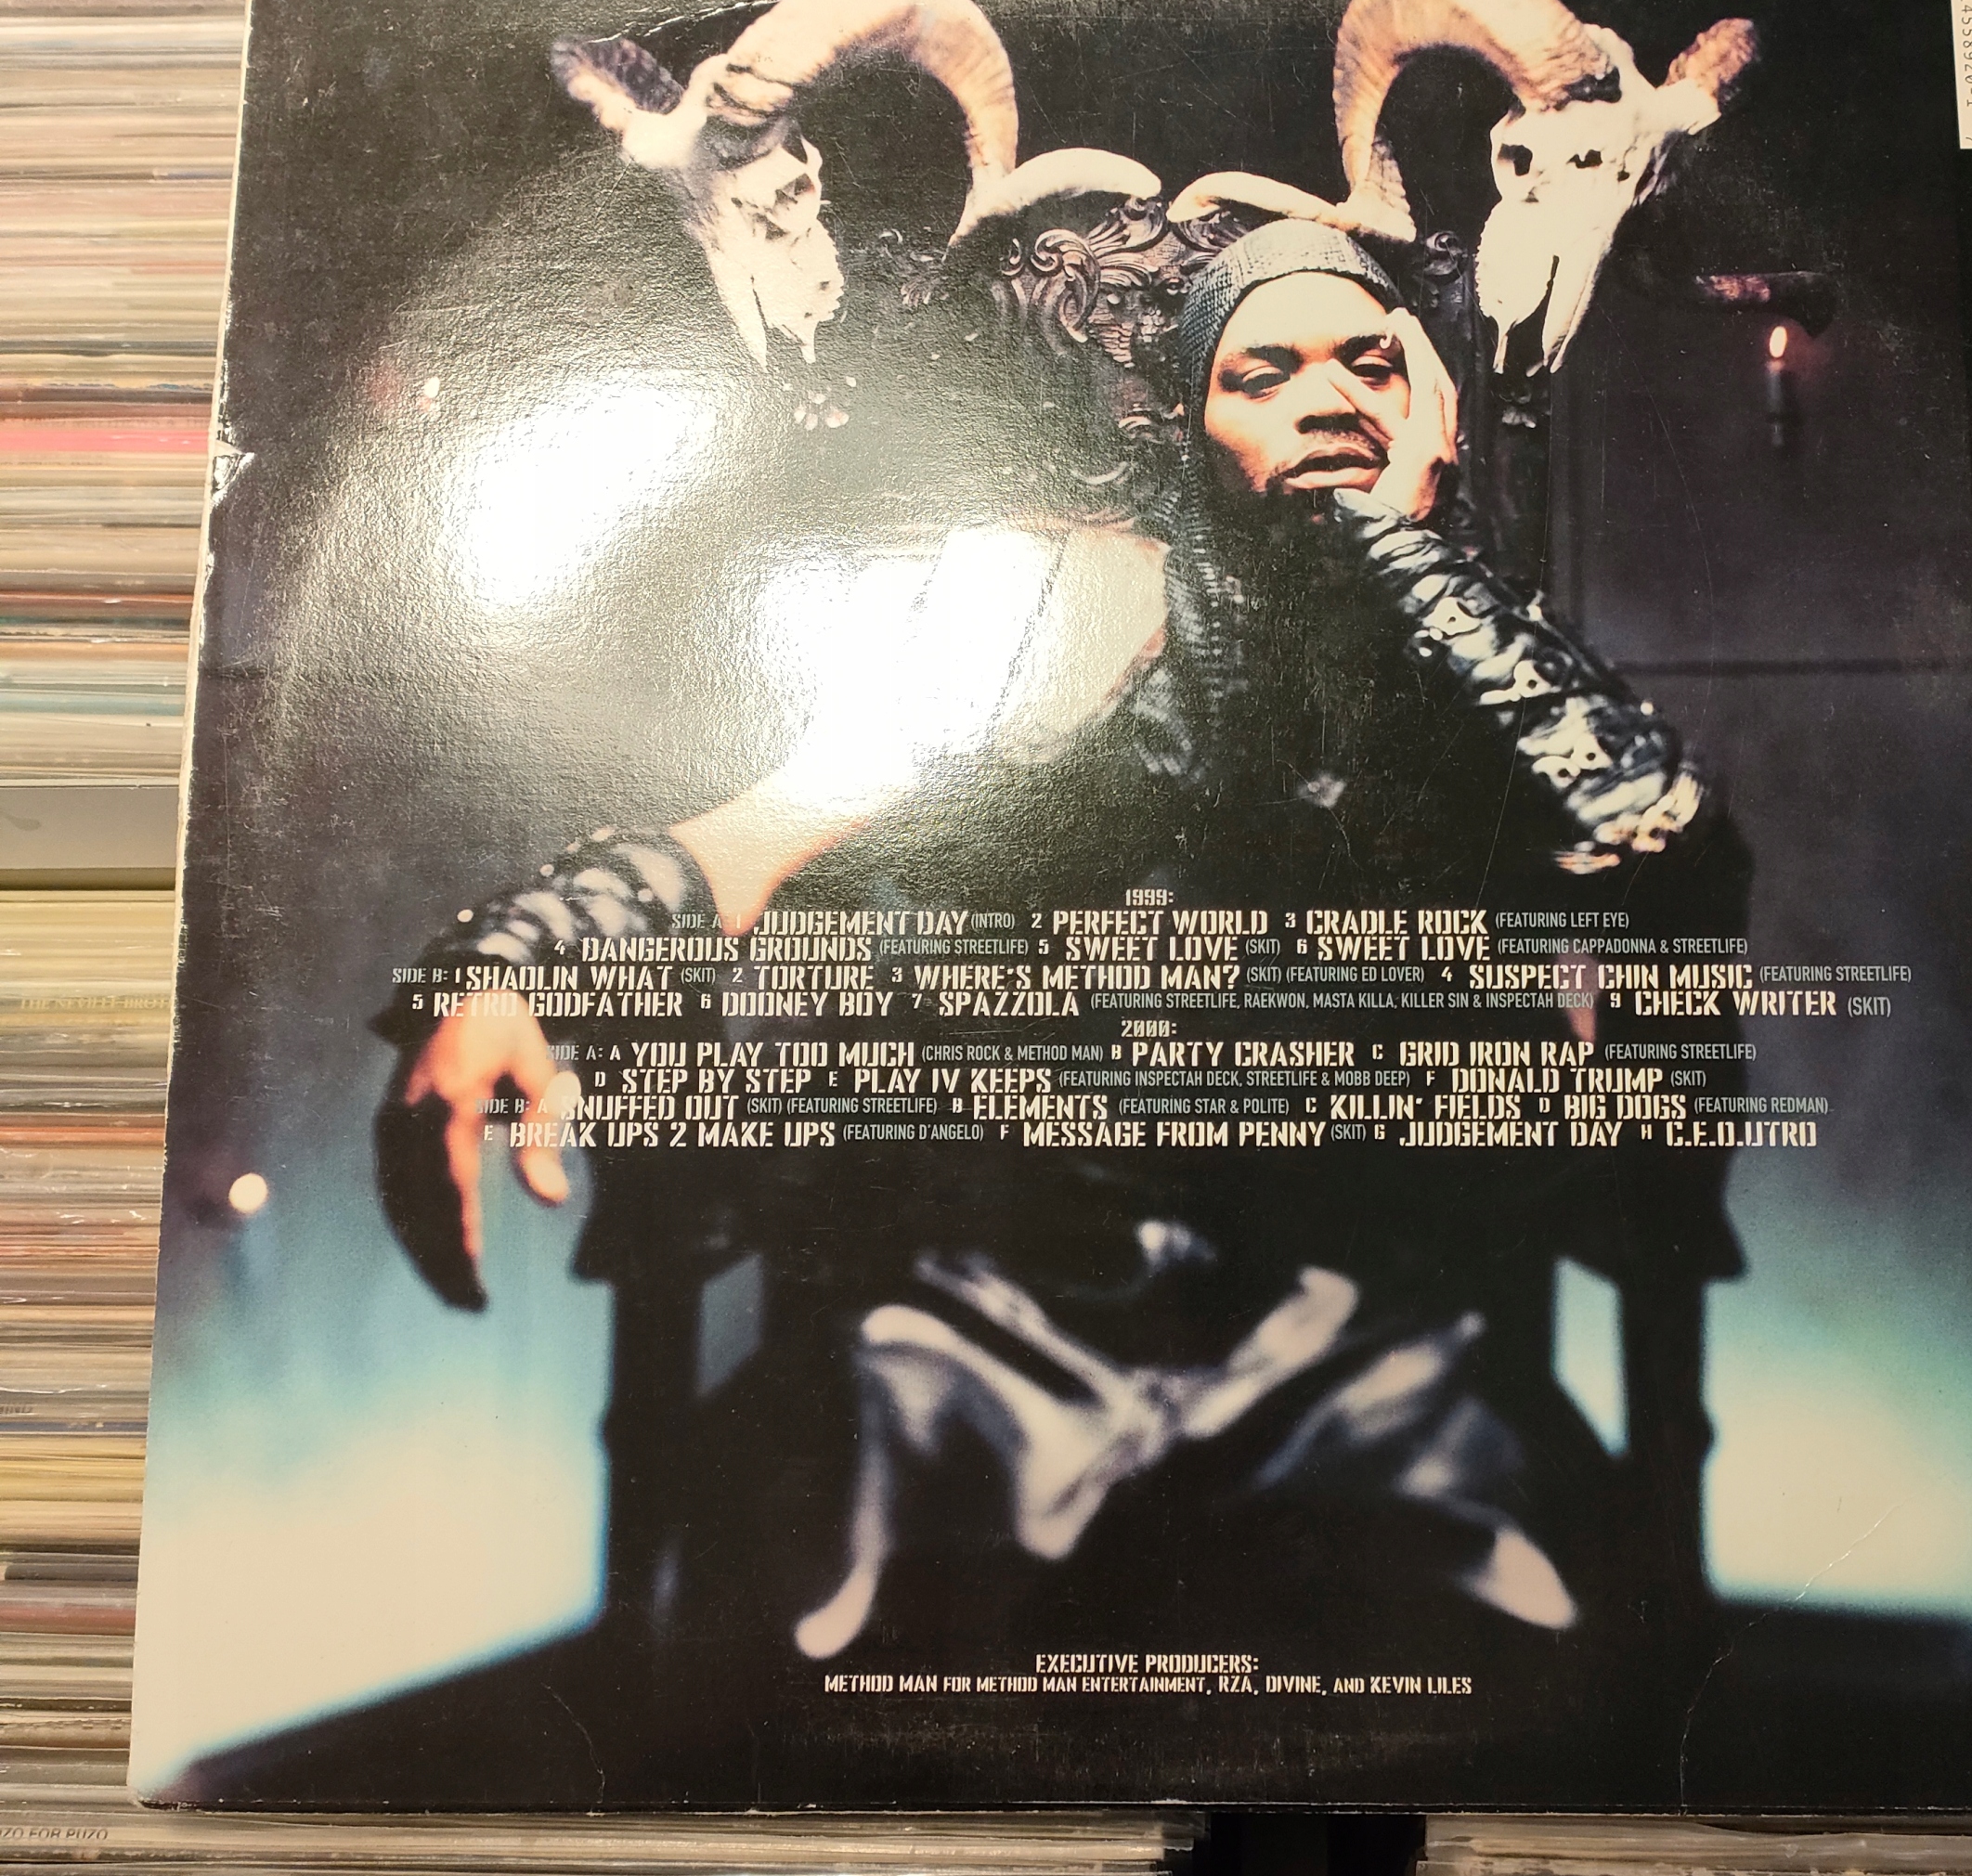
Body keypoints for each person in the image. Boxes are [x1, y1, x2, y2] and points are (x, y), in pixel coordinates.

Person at [375, 217, 1732, 1688]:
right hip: (992, 1318)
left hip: (1361, 1331)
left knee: (1522, 1656)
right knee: (809, 1635)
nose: (1331, 400)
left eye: (1372, 366)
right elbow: (756, 836)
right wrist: (511, 966)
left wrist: (1412, 559)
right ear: (1186, 419)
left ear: (1433, 410)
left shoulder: (1473, 654)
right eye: (1263, 374)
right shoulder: (1050, 600)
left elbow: (1664, 840)